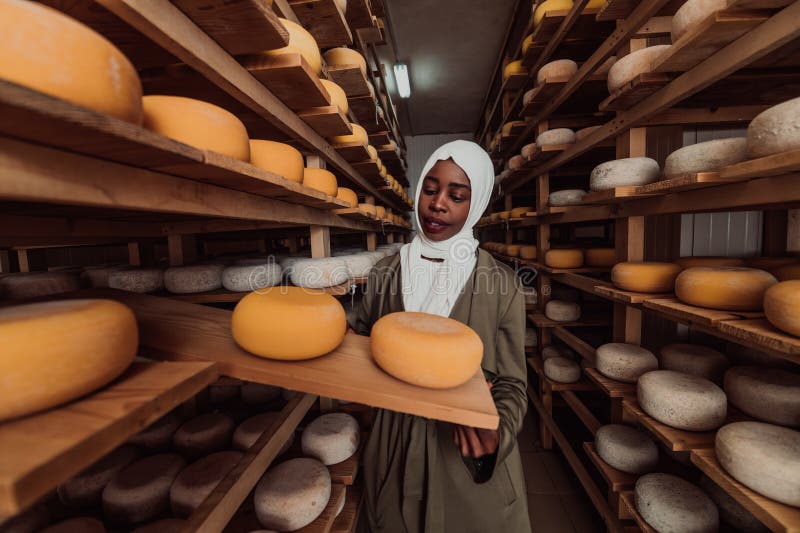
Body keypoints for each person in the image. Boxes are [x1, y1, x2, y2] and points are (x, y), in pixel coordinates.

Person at [352, 140, 531, 533]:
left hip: (461, 459)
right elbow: (358, 350)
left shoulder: (501, 284)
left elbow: (514, 384)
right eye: (430, 190)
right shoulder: (385, 274)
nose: (438, 204)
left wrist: (495, 428)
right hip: (394, 449)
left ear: (476, 203)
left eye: (457, 195)